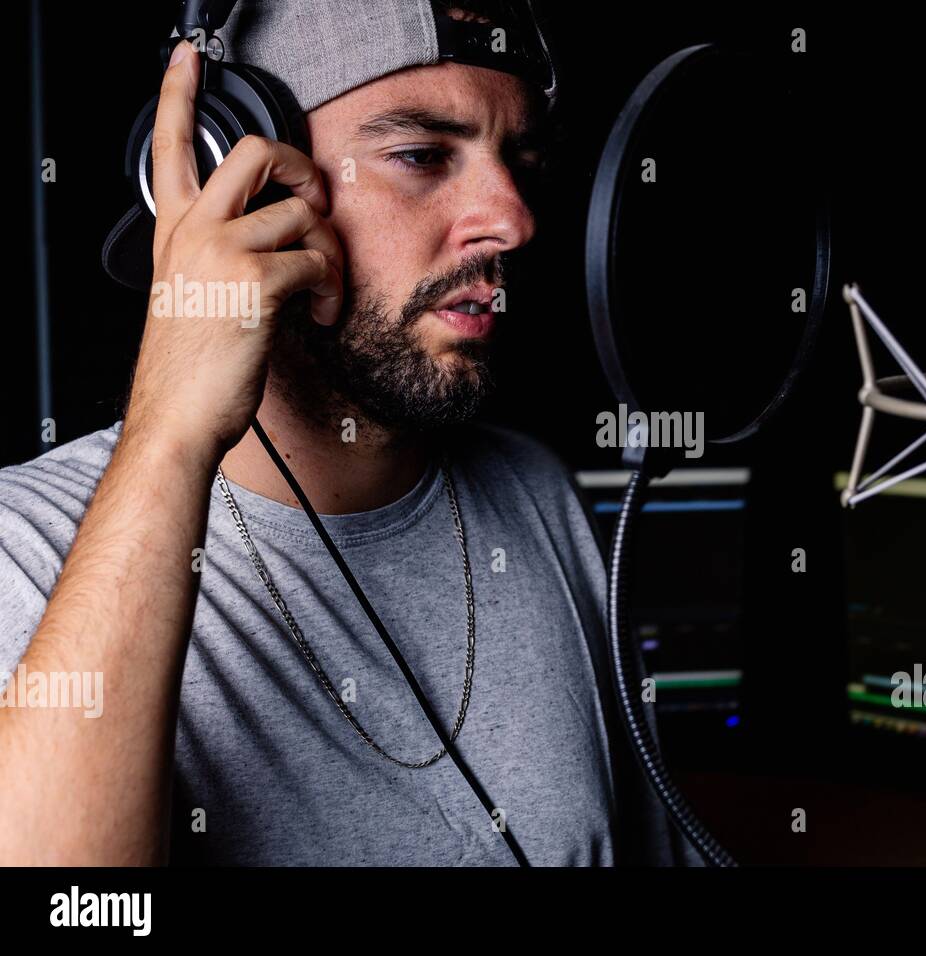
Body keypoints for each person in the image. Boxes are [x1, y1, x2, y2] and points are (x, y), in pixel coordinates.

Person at [0, 0, 698, 867]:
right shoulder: (24, 552)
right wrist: (171, 433)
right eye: (421, 156)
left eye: (520, 161)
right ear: (239, 185)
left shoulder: (536, 495)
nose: (513, 220)